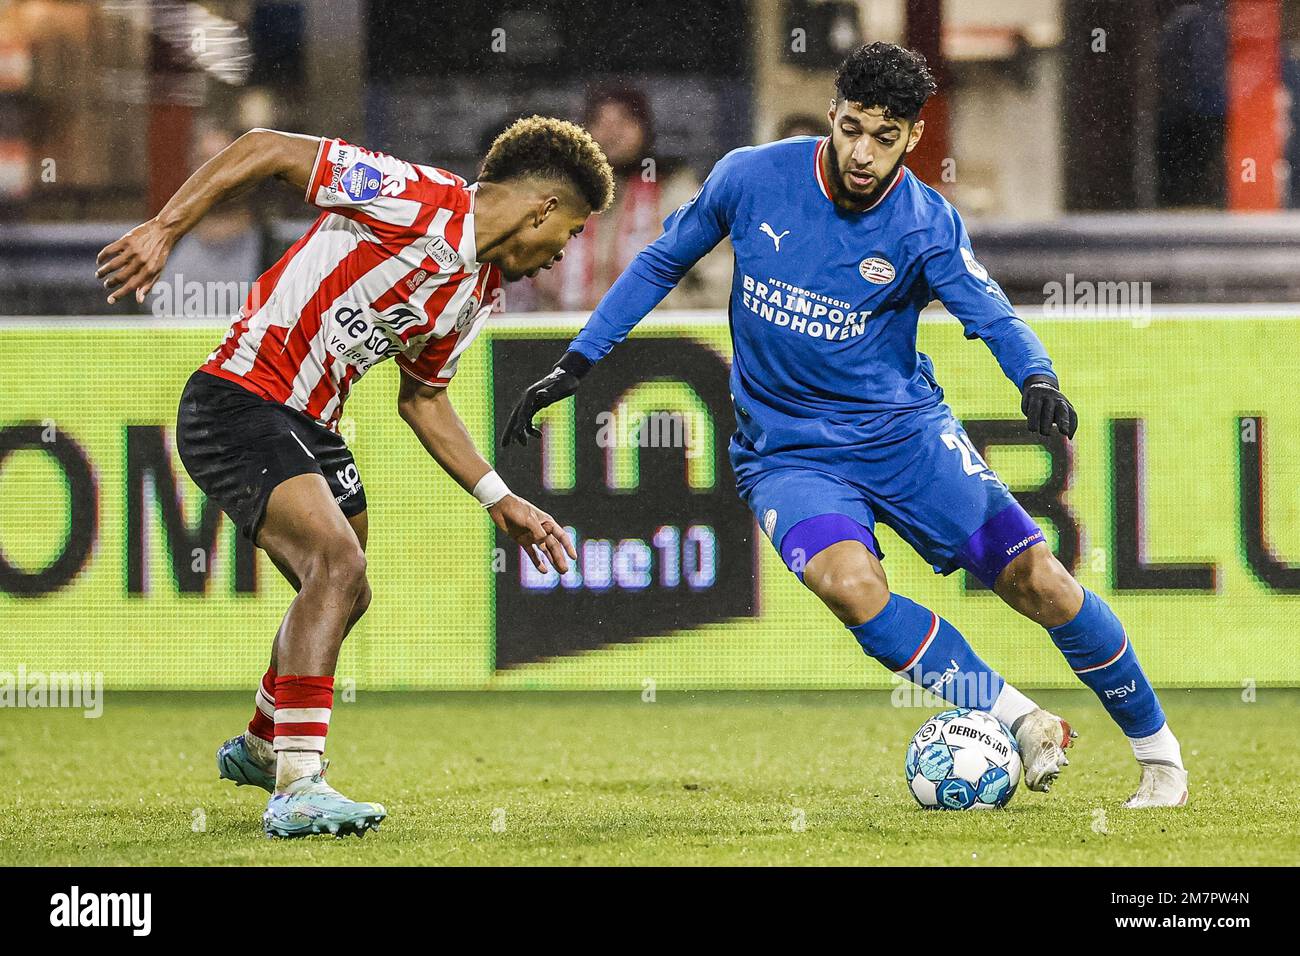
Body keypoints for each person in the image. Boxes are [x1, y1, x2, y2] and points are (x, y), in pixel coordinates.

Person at [502, 44, 1188, 809]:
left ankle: (1159, 758)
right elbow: (663, 261)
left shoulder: (927, 224)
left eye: (884, 137)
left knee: (1041, 582)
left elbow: (991, 315)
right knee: (851, 588)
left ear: (913, 138)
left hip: (905, 440)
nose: (863, 153)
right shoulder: (750, 178)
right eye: (852, 128)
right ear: (832, 114)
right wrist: (579, 360)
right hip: (788, 454)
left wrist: (1035, 375)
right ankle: (1022, 719)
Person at [96, 116, 615, 837]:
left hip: (313, 426)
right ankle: (298, 783)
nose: (565, 253)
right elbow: (266, 148)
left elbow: (423, 399)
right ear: (544, 209)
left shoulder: (473, 293)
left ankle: (259, 743)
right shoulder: (415, 197)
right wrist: (164, 226)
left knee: (351, 590)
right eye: (575, 232)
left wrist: (499, 497)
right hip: (240, 399)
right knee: (334, 563)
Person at [528, 86, 729, 311]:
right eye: (599, 121)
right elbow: (535, 286)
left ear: (645, 130)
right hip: (571, 339)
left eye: (624, 121)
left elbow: (720, 281)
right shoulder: (559, 200)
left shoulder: (675, 193)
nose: (611, 133)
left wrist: (670, 318)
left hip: (656, 341)